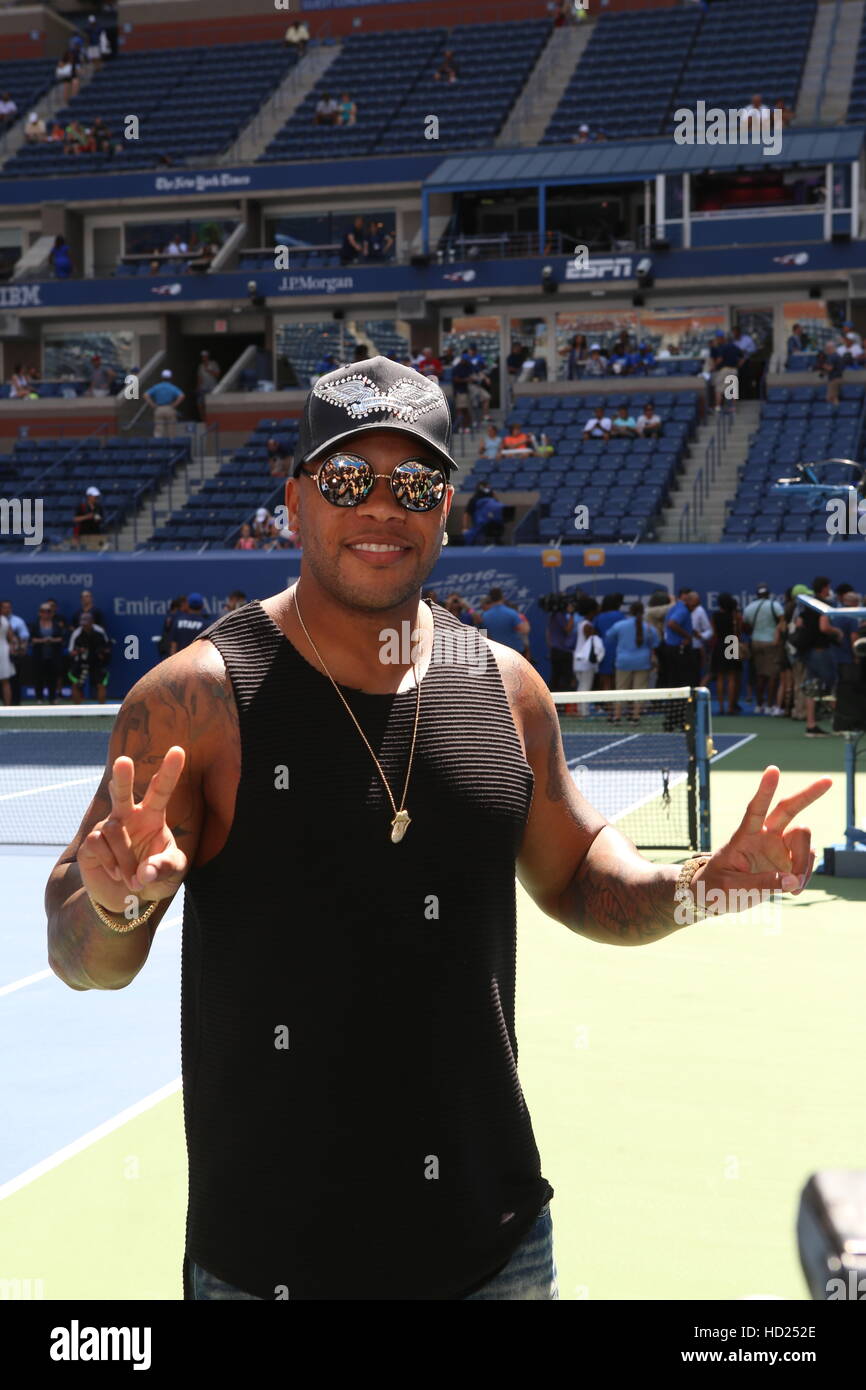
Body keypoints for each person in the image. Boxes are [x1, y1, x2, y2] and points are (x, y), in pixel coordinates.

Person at [45, 352, 829, 1307]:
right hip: (269, 1265)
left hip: (493, 1254)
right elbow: (84, 955)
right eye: (347, 480)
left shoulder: (506, 689)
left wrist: (705, 881)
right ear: (296, 501)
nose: (382, 506)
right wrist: (116, 905)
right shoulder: (194, 701)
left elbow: (579, 869)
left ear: (446, 508)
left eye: (413, 481)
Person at [606, 601, 659, 719]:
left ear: (630, 611)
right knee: (639, 691)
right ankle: (636, 716)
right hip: (643, 663)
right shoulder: (649, 628)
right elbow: (656, 643)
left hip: (623, 662)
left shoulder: (620, 625)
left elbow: (609, 636)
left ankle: (617, 716)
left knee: (621, 689)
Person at [742, 584, 785, 714]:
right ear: (768, 594)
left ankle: (759, 704)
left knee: (760, 675)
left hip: (756, 642)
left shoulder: (749, 608)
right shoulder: (775, 606)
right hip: (772, 643)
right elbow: (782, 623)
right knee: (772, 675)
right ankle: (770, 705)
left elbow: (745, 627)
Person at [709, 593, 744, 715]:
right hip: (732, 643)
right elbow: (739, 632)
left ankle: (721, 707)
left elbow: (714, 633)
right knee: (731, 677)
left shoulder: (715, 616)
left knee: (720, 678)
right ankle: (730, 707)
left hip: (719, 645)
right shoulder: (736, 617)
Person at [68, 611, 112, 704]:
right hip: (82, 662)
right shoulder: (77, 633)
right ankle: (76, 710)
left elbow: (107, 647)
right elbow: (71, 652)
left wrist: (102, 654)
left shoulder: (99, 631)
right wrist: (79, 651)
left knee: (101, 684)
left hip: (96, 662)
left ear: (92, 622)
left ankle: (102, 710)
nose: (84, 626)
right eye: (83, 624)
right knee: (76, 684)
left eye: (86, 623)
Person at [29, 601, 66, 703]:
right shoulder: (34, 624)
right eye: (43, 611)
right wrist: (43, 641)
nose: (46, 614)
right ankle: (39, 697)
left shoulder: (56, 625)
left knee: (52, 677)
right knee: (39, 677)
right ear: (40, 613)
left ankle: (52, 697)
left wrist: (51, 640)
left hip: (53, 656)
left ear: (52, 613)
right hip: (39, 656)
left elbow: (62, 639)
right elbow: (31, 639)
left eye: (48, 611)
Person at [571, 596, 603, 699]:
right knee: (585, 687)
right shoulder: (587, 626)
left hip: (580, 661)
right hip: (585, 662)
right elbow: (592, 642)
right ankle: (583, 712)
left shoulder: (583, 624)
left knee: (583, 686)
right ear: (592, 611)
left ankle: (583, 711)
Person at [479, 587, 528, 651]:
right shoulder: (511, 613)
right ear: (502, 597)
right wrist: (525, 620)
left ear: (490, 599)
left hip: (497, 652)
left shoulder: (484, 616)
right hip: (514, 651)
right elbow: (524, 630)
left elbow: (483, 636)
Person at [709, 331, 744, 411]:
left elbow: (720, 359)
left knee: (719, 389)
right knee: (732, 389)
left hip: (725, 369)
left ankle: (718, 407)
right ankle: (733, 407)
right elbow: (743, 357)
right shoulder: (735, 347)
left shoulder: (724, 347)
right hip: (734, 369)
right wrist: (738, 365)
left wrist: (713, 367)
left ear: (725, 339)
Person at [145, 369, 185, 438]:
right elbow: (182, 396)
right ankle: (171, 445)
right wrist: (174, 405)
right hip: (169, 408)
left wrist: (152, 405)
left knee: (158, 430)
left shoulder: (157, 387)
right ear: (170, 378)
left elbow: (146, 395)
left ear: (162, 378)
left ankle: (158, 446)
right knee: (171, 429)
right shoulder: (172, 387)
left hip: (159, 408)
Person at [546, 600, 576, 692]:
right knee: (565, 678)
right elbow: (568, 629)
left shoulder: (553, 616)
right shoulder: (559, 615)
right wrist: (572, 614)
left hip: (556, 650)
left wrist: (551, 644)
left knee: (556, 677)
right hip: (562, 651)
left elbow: (547, 633)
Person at [196, 351, 221, 417]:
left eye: (205, 356)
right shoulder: (200, 366)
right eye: (203, 356)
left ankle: (212, 417)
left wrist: (209, 370)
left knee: (211, 404)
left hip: (212, 387)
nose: (204, 358)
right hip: (203, 388)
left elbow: (217, 375)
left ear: (208, 356)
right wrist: (198, 387)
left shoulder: (213, 364)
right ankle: (203, 419)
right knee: (200, 404)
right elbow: (199, 378)